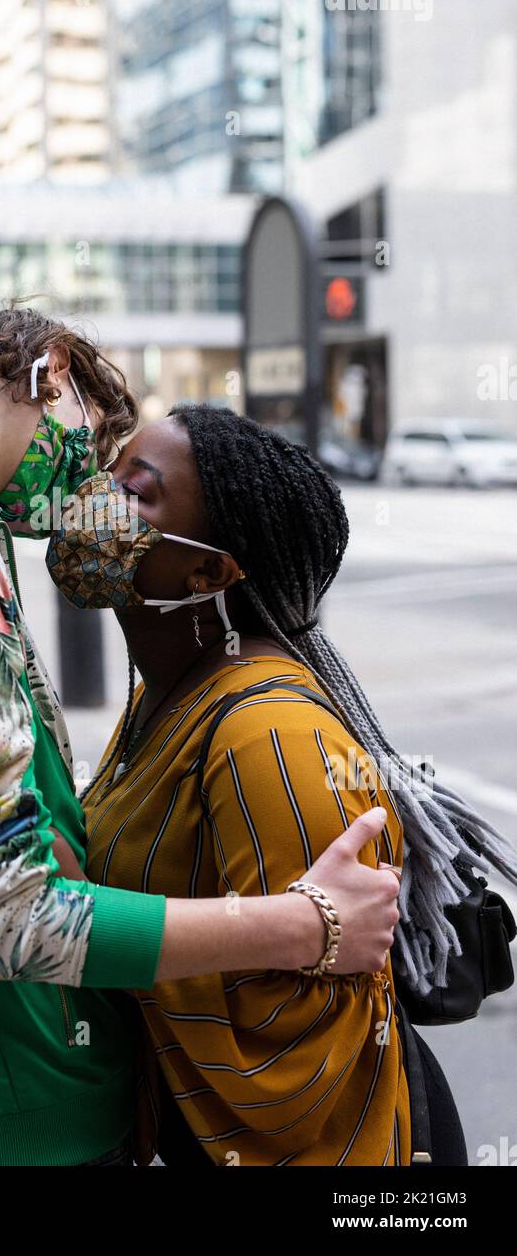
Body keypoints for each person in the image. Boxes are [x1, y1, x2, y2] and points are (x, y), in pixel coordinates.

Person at [0, 298, 400, 1167]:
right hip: (21, 1104)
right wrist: (306, 926)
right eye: (96, 447)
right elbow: (6, 919)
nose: (89, 491)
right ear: (48, 373)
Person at [47, 405, 517, 1166]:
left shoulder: (268, 736)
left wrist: (102, 942)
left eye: (135, 493)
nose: (97, 501)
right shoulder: (164, 693)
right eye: (110, 474)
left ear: (208, 572)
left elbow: (297, 1050)